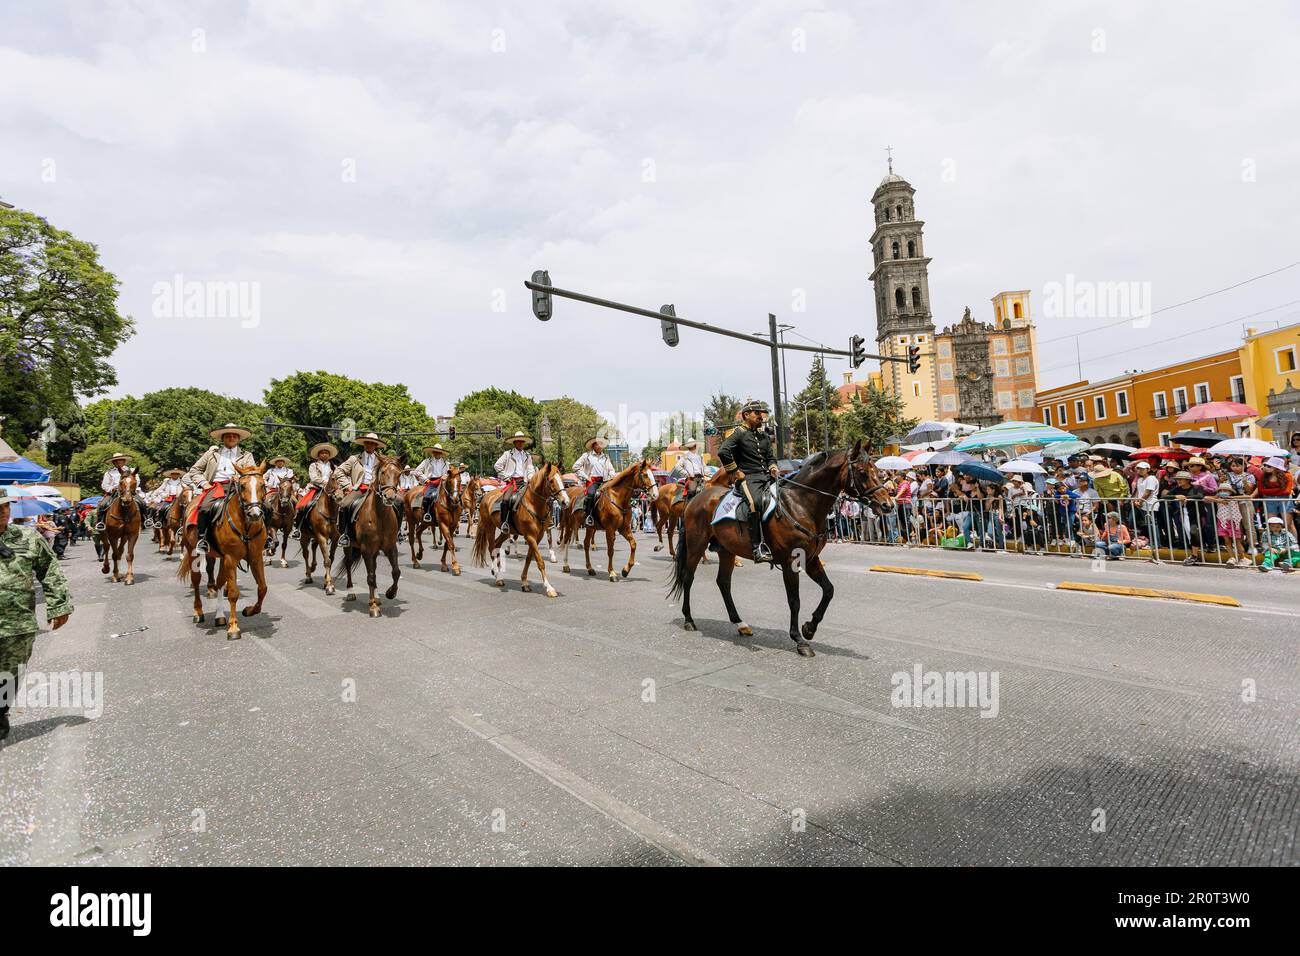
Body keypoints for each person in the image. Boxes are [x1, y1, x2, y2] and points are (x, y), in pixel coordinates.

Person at [0, 487, 74, 741]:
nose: (2, 512)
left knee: (9, 673)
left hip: (17, 625)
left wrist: (59, 604)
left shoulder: (27, 537)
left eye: (5, 507)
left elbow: (49, 569)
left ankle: (1, 710)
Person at [717, 399, 779, 563]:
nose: (761, 416)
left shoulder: (763, 436)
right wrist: (735, 471)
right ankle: (757, 547)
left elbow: (770, 457)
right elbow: (723, 451)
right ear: (746, 415)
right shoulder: (739, 433)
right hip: (748, 478)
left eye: (762, 413)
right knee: (755, 502)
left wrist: (772, 466)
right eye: (757, 413)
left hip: (766, 477)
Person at [185, 424, 257, 551]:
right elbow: (194, 470)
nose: (231, 438)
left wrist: (240, 478)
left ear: (238, 439)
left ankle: (266, 538)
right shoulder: (212, 454)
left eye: (234, 436)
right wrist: (204, 484)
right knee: (205, 508)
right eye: (228, 436)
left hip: (239, 488)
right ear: (222, 438)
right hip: (215, 487)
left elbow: (252, 472)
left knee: (265, 506)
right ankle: (202, 539)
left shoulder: (247, 455)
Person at [335, 432, 388, 547]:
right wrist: (347, 486)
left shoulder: (382, 461)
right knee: (344, 505)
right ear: (364, 444)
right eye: (367, 442)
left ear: (376, 446)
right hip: (360, 489)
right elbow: (338, 471)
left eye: (372, 443)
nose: (369, 445)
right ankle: (345, 535)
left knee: (396, 503)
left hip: (376, 490)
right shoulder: (354, 459)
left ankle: (396, 533)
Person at [494, 432, 537, 531]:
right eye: (519, 441)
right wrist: (506, 477)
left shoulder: (527, 455)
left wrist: (531, 477)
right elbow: (497, 466)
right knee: (506, 500)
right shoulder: (507, 454)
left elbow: (530, 469)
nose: (521, 443)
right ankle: (504, 523)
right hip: (512, 482)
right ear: (515, 442)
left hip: (525, 482)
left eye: (522, 441)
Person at [294, 442, 338, 537]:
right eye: (322, 453)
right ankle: (298, 528)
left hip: (332, 490)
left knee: (341, 505)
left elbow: (337, 478)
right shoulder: (313, 465)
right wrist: (325, 483)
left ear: (329, 455)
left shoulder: (334, 467)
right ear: (318, 455)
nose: (324, 454)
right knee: (304, 505)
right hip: (316, 488)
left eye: (326, 453)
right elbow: (314, 478)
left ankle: (339, 528)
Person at [573, 437, 615, 527]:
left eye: (601, 444)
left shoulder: (606, 457)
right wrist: (585, 477)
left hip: (605, 481)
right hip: (592, 481)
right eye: (598, 444)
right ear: (593, 445)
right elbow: (575, 467)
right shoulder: (586, 456)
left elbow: (611, 469)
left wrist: (612, 476)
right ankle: (588, 516)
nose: (600, 446)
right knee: (591, 494)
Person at [93, 452, 138, 531]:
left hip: (129, 492)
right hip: (113, 493)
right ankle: (100, 522)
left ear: (124, 461)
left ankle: (145, 519)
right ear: (113, 462)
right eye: (116, 461)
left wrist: (130, 488)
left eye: (120, 460)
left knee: (142, 502)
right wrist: (112, 489)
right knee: (103, 504)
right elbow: (104, 485)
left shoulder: (132, 470)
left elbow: (137, 481)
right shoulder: (109, 473)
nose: (118, 462)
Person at [414, 444, 450, 523]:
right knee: (427, 497)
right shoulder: (427, 461)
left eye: (438, 452)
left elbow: (448, 473)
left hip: (443, 482)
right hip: (431, 482)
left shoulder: (446, 463)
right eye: (435, 452)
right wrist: (426, 479)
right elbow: (417, 471)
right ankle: (427, 513)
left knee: (453, 496)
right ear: (432, 452)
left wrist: (446, 476)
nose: (436, 453)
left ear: (441, 453)